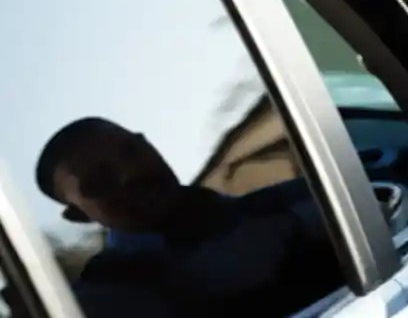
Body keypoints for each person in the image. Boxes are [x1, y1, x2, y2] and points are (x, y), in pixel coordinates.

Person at [36, 117, 343, 317]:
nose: (130, 175)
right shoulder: (101, 299)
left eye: (131, 151)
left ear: (148, 144)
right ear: (79, 215)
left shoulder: (297, 199)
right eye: (100, 182)